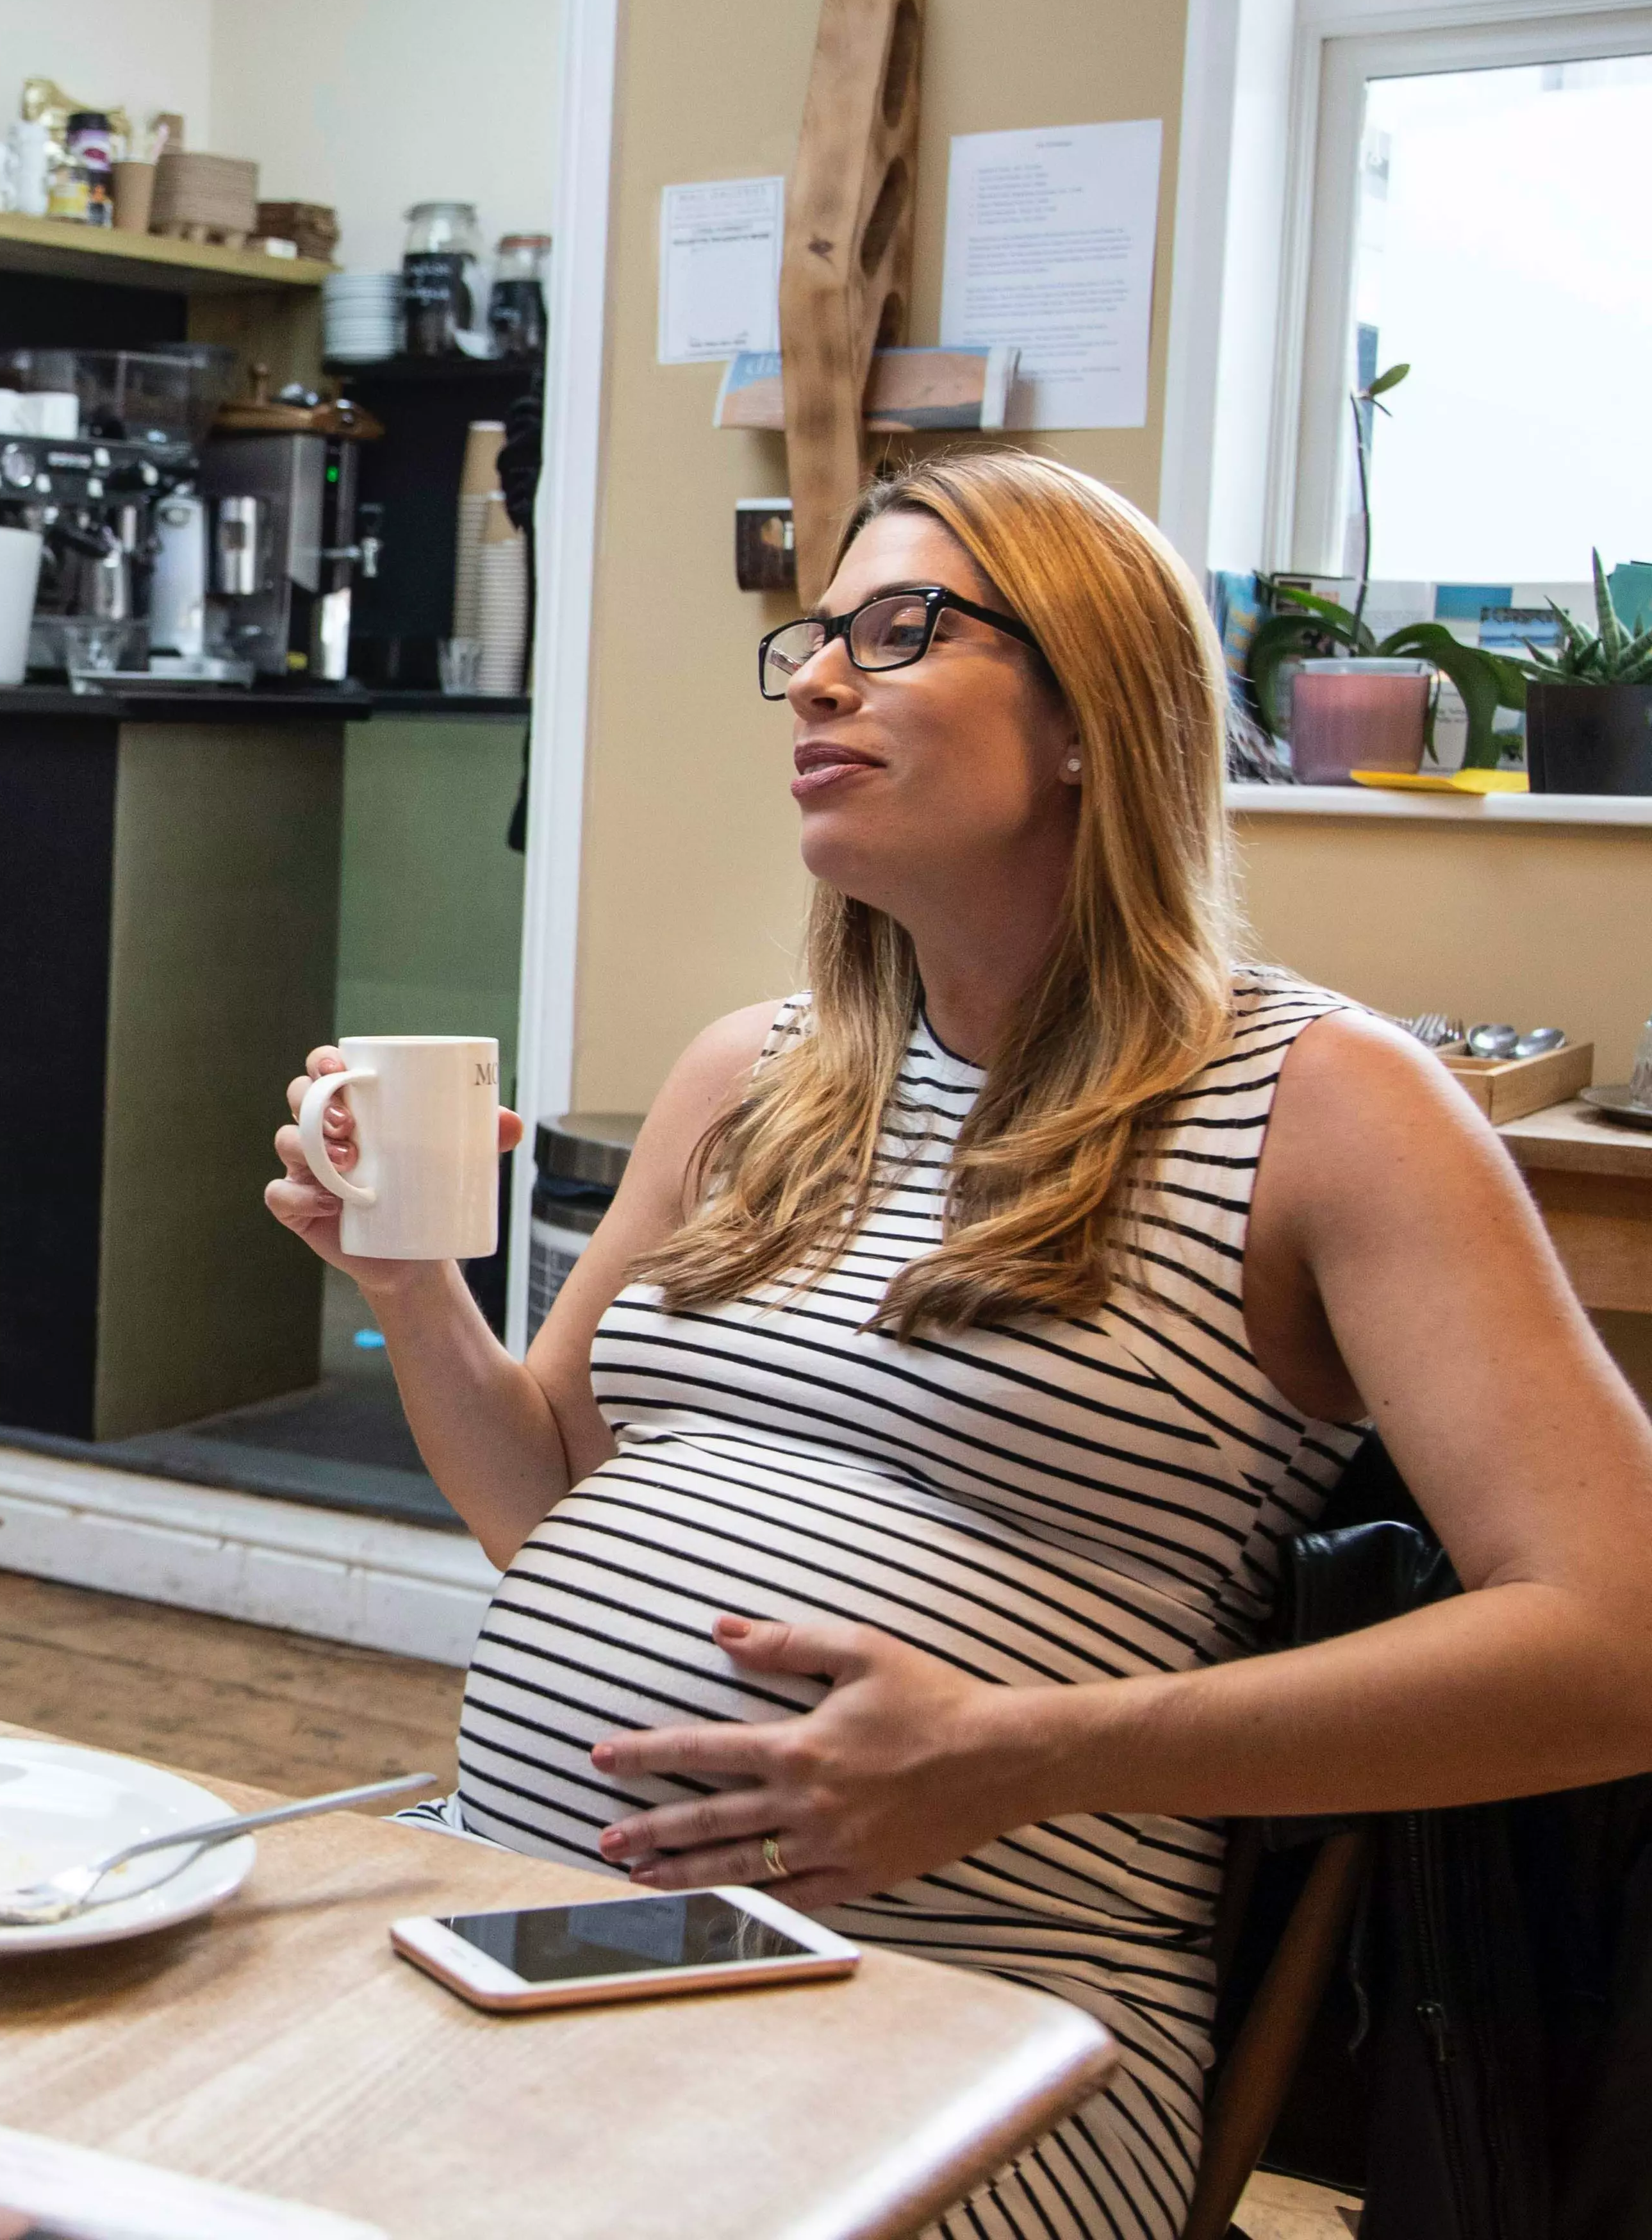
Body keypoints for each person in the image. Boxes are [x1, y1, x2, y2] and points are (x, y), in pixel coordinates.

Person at [268, 447, 1652, 2237]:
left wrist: (1028, 1749)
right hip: (541, 1935)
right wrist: (402, 1281)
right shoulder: (750, 1071)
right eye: (819, 636)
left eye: (906, 628)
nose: (823, 672)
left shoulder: (1327, 1105)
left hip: (970, 2011)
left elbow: (1620, 1638)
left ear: (1096, 717)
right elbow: (550, 1509)